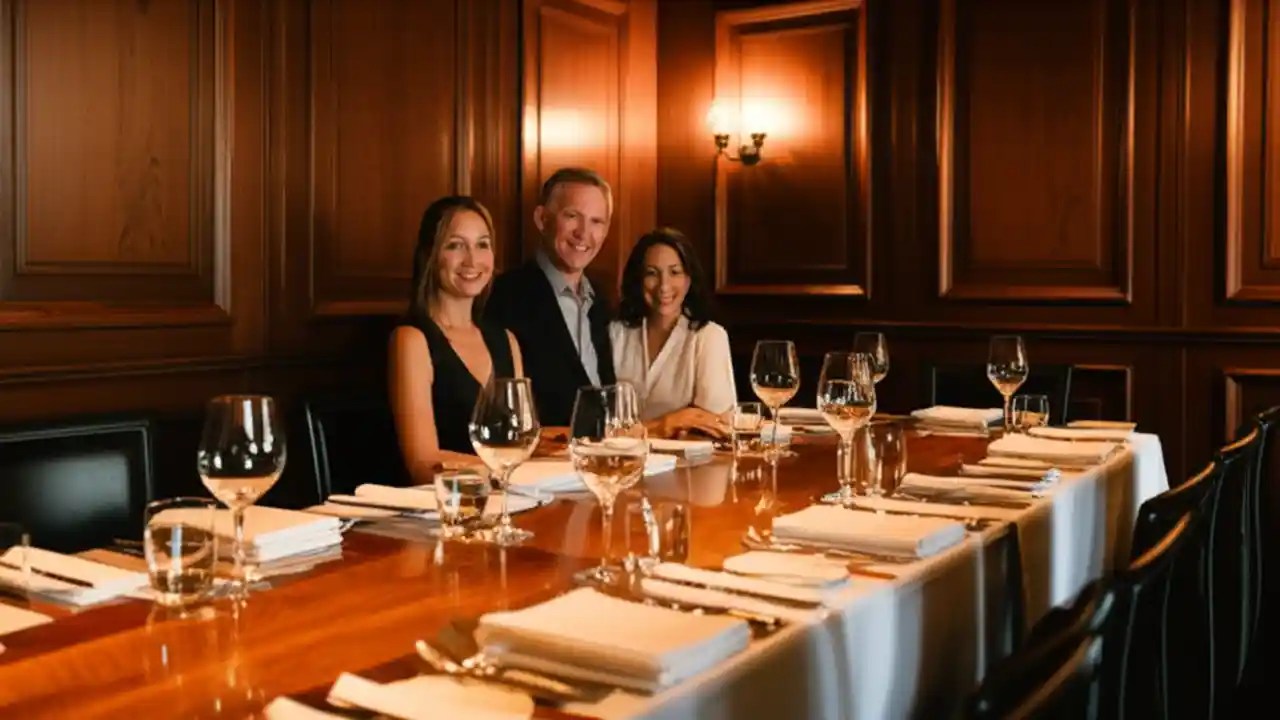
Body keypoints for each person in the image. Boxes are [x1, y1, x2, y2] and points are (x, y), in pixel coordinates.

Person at [388, 196, 524, 484]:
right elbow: (422, 463)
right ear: (431, 255)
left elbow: (522, 441)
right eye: (455, 245)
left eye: (482, 244)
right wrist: (505, 471)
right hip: (441, 511)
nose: (472, 260)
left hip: (508, 502)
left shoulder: (507, 340)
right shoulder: (412, 340)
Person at [485, 167, 616, 427]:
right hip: (543, 459)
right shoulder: (506, 296)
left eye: (596, 221)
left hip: (605, 456)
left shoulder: (603, 299)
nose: (583, 233)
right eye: (572, 216)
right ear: (542, 219)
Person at [610, 228, 735, 438]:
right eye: (652, 273)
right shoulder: (616, 333)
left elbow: (715, 426)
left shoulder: (709, 337)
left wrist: (634, 431)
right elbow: (597, 423)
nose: (664, 286)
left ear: (688, 279)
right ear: (639, 279)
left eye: (675, 272)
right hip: (618, 462)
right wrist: (668, 423)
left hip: (686, 466)